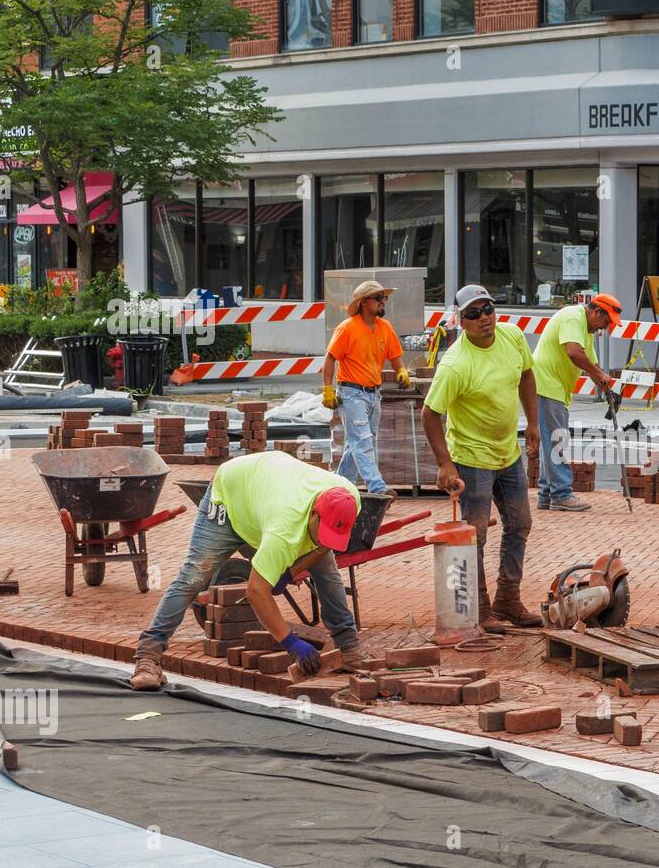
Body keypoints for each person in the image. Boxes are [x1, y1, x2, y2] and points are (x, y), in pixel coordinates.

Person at [130, 451, 367, 691]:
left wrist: (291, 571)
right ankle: (148, 657)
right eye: (323, 529)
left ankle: (349, 648)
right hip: (228, 501)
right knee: (193, 578)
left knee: (328, 572)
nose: (325, 538)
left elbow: (325, 545)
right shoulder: (283, 529)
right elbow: (256, 591)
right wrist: (290, 641)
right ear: (314, 513)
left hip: (265, 493)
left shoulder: (349, 498)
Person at [422, 285, 542, 633]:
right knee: (474, 534)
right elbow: (430, 414)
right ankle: (479, 607)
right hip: (472, 458)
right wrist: (445, 463)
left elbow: (526, 374)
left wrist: (532, 423)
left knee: (520, 523)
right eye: (473, 314)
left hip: (508, 452)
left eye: (487, 309)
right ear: (461, 321)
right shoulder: (456, 365)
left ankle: (508, 598)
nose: (484, 319)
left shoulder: (513, 337)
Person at [531, 293, 624, 511]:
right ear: (596, 312)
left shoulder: (587, 329)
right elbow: (574, 352)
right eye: (606, 321)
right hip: (546, 384)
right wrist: (599, 375)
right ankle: (561, 494)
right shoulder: (573, 317)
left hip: (555, 388)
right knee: (556, 440)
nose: (606, 327)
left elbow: (591, 363)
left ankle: (547, 494)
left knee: (551, 439)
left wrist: (606, 386)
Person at [321, 280, 410, 494]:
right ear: (363, 303)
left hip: (373, 394)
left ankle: (340, 486)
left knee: (358, 443)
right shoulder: (347, 328)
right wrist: (327, 388)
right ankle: (377, 487)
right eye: (378, 298)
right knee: (362, 442)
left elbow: (395, 357)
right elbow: (330, 358)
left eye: (384, 298)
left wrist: (402, 371)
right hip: (351, 393)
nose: (383, 302)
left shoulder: (385, 328)